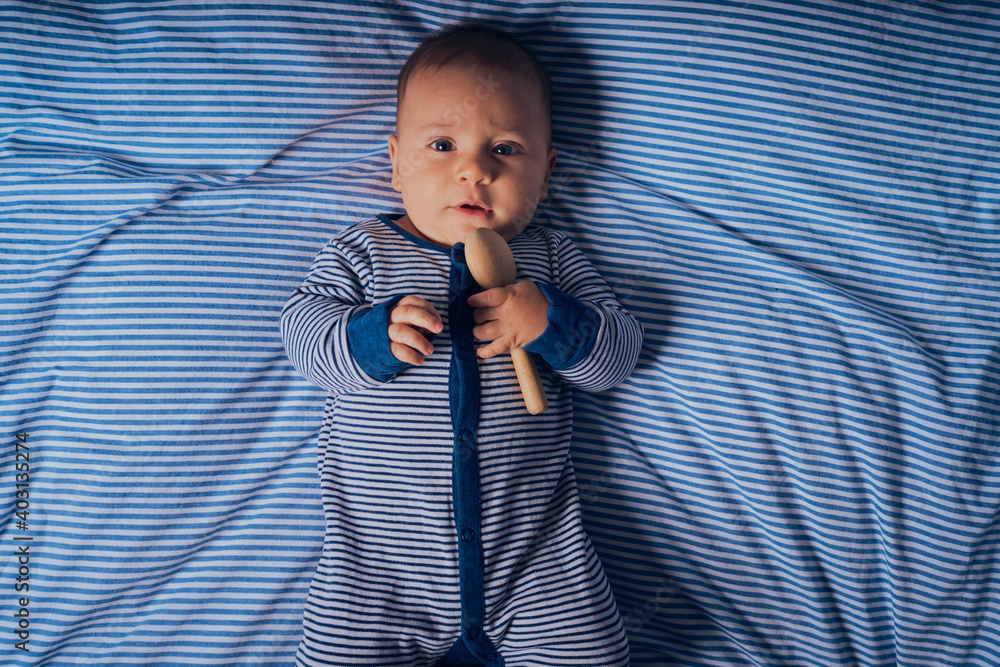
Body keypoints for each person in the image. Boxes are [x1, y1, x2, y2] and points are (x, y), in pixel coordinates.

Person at [280, 21, 642, 667]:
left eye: (505, 149)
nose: (473, 169)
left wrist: (551, 322)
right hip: (380, 566)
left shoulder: (550, 258)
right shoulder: (366, 250)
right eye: (442, 144)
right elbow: (303, 335)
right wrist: (368, 336)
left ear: (547, 170)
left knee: (596, 652)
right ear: (395, 162)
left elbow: (616, 359)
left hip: (535, 555)